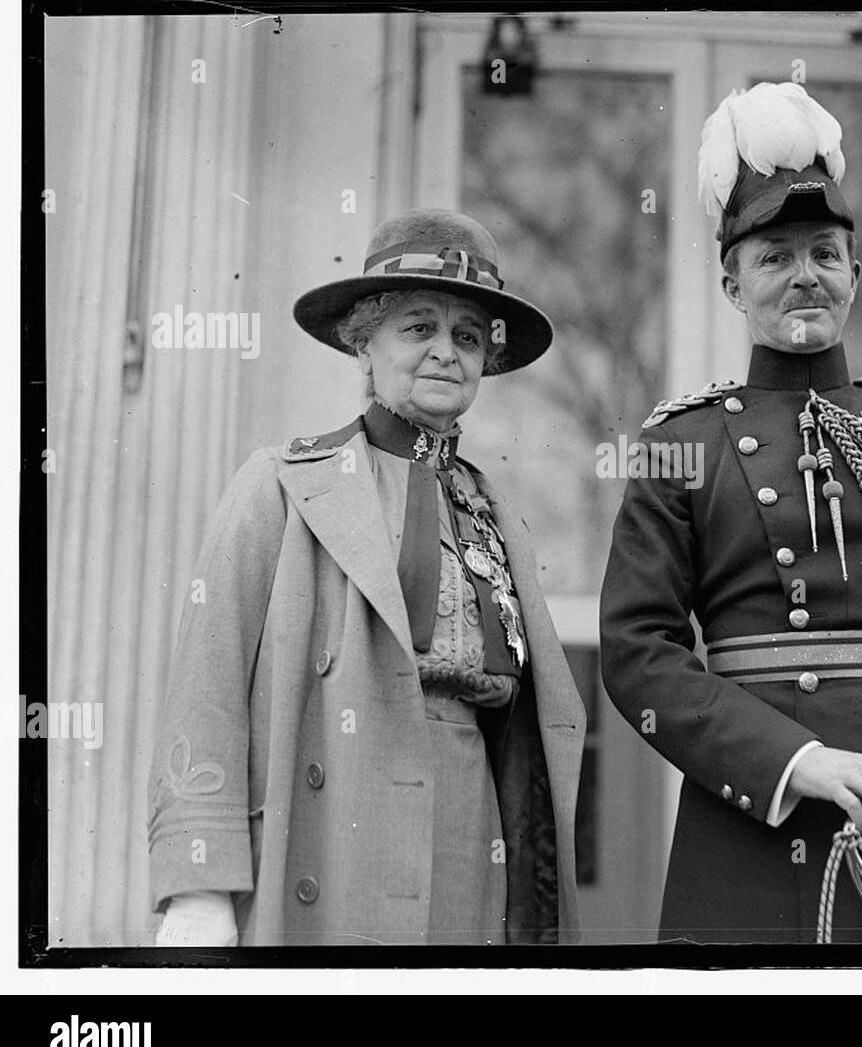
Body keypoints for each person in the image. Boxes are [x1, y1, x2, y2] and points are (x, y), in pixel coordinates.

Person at [599, 83, 862, 944]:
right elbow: (637, 651)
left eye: (826, 254)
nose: (806, 276)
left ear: (856, 274)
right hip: (746, 831)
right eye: (775, 257)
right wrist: (797, 761)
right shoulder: (679, 444)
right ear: (731, 281)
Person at [148, 208, 586, 946]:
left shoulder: (498, 513)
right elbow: (206, 685)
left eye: (468, 336)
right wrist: (200, 882)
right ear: (363, 344)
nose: (446, 352)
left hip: (468, 842)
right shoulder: (281, 485)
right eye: (419, 328)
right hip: (333, 834)